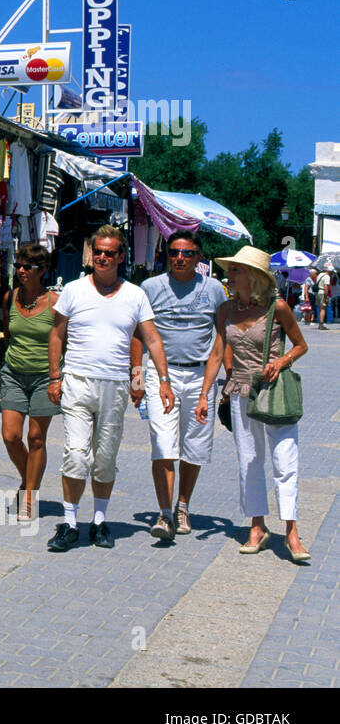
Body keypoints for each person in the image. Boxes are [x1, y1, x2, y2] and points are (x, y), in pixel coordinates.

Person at [46, 226, 175, 552]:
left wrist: (163, 381)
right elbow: (56, 336)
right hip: (77, 381)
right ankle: (71, 523)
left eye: (110, 253)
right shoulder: (73, 291)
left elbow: (152, 339)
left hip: (115, 387)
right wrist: (54, 377)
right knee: (76, 455)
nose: (103, 257)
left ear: (120, 256)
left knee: (104, 459)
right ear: (92, 254)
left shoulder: (135, 295)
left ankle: (100, 522)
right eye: (98, 252)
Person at [196, 247, 309, 562]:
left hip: (274, 392)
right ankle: (257, 527)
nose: (228, 275)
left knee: (285, 461)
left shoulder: (279, 308)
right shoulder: (226, 310)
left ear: (253, 277)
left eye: (235, 270)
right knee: (249, 461)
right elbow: (217, 355)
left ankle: (292, 532)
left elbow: (301, 345)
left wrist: (283, 360)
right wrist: (205, 394)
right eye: (230, 270)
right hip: (240, 393)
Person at [129, 231, 227, 541]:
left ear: (199, 257)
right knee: (163, 443)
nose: (179, 258)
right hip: (162, 375)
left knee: (194, 446)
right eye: (174, 252)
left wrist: (227, 381)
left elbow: (222, 338)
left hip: (200, 377)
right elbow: (137, 335)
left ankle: (183, 505)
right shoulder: (151, 287)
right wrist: (137, 377)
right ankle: (165, 514)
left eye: (186, 253)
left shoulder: (213, 290)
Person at [0, 243, 59, 523]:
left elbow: (63, 341)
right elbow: (7, 334)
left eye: (28, 267)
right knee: (11, 436)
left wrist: (57, 378)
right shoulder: (10, 297)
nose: (21, 271)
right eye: (18, 266)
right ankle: (28, 479)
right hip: (13, 373)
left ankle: (29, 495)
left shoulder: (56, 302)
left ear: (42, 271)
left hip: (44, 377)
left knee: (36, 438)